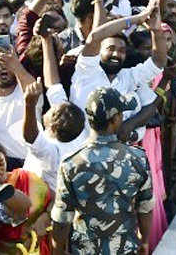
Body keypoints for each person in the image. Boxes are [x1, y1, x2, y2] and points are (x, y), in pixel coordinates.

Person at [50, 86, 154, 255]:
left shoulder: (71, 163)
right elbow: (145, 208)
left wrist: (57, 252)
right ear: (115, 119)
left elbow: (62, 219)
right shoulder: (137, 158)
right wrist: (145, 241)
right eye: (121, 114)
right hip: (125, 249)